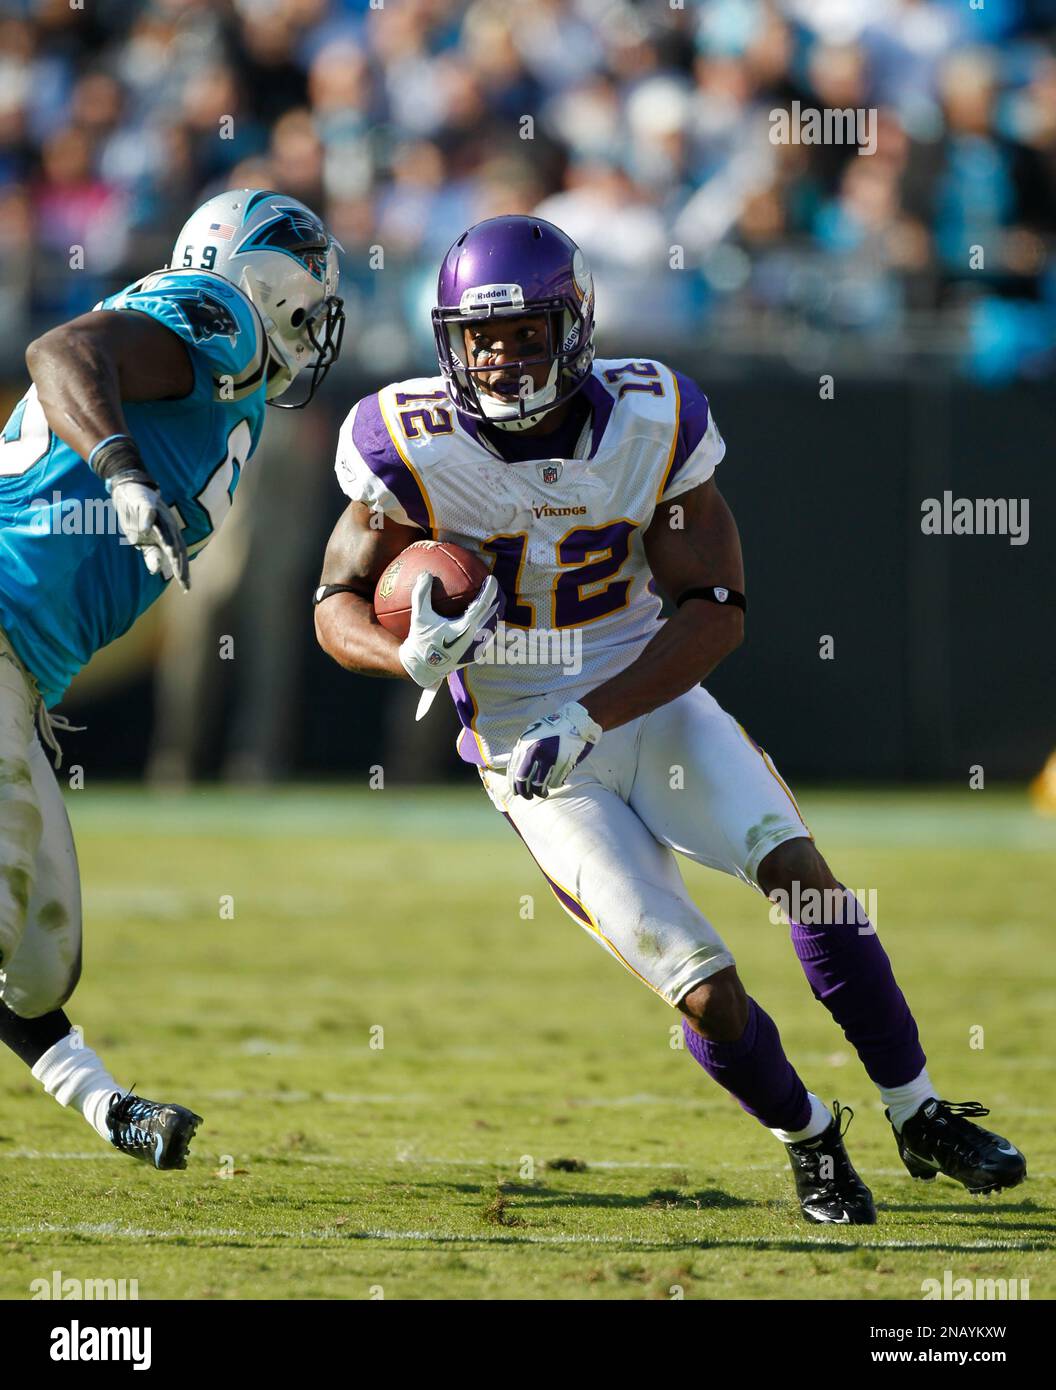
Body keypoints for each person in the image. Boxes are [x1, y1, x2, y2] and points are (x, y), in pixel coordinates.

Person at [314, 214, 1024, 1223]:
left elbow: (716, 611)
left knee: (807, 883)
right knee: (704, 989)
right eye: (482, 338)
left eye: (524, 334)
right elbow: (334, 604)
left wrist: (593, 714)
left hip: (645, 697)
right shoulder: (409, 439)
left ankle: (919, 1111)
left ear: (574, 327)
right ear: (450, 341)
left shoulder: (651, 417)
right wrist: (406, 655)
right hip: (530, 754)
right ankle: (811, 1140)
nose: (502, 359)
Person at [0, 188, 344, 1168]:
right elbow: (60, 351)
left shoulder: (233, 374)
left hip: (22, 667)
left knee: (38, 956)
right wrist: (122, 472)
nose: (317, 326)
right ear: (268, 281)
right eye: (312, 298)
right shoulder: (218, 311)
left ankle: (105, 1105)